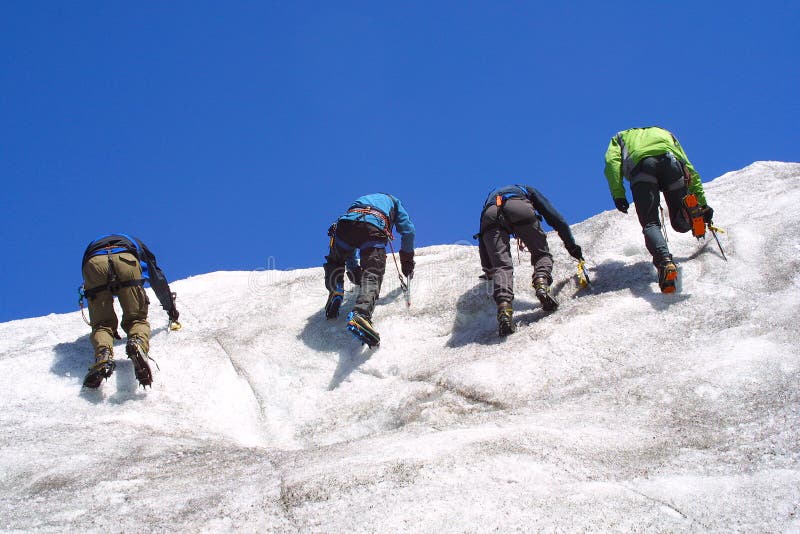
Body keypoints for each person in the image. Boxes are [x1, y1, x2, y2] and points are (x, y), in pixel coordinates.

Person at [604, 126, 715, 293]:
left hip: (642, 169)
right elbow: (688, 166)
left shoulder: (619, 137)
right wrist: (702, 202)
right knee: (679, 223)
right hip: (671, 163)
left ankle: (665, 262)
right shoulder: (665, 132)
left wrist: (618, 194)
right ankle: (692, 213)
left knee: (650, 223)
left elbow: (612, 163)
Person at [478, 184, 583, 336]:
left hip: (491, 215)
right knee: (541, 254)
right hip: (519, 207)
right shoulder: (526, 189)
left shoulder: (489, 199)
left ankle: (504, 309)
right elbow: (555, 218)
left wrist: (488, 270)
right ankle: (541, 282)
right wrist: (572, 246)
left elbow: (484, 242)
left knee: (502, 267)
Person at [80, 234, 180, 388]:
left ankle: (103, 356)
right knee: (136, 319)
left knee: (102, 324)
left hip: (93, 263)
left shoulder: (94, 243)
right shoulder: (136, 243)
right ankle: (137, 343)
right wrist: (170, 309)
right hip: (126, 259)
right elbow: (156, 277)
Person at [324, 193, 415, 347]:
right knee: (372, 273)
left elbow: (351, 244)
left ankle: (336, 289)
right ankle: (361, 315)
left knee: (336, 260)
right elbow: (408, 231)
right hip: (373, 228)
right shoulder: (395, 202)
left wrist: (354, 272)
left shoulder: (360, 200)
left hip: (344, 227)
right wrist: (406, 262)